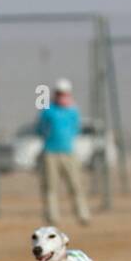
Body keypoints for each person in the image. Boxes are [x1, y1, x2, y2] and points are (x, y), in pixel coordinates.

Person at [37, 78, 90, 226]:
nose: (62, 96)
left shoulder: (73, 110)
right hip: (50, 152)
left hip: (68, 152)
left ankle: (83, 215)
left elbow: (76, 128)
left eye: (64, 93)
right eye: (59, 93)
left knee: (76, 185)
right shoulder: (48, 110)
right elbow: (40, 128)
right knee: (50, 186)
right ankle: (52, 217)